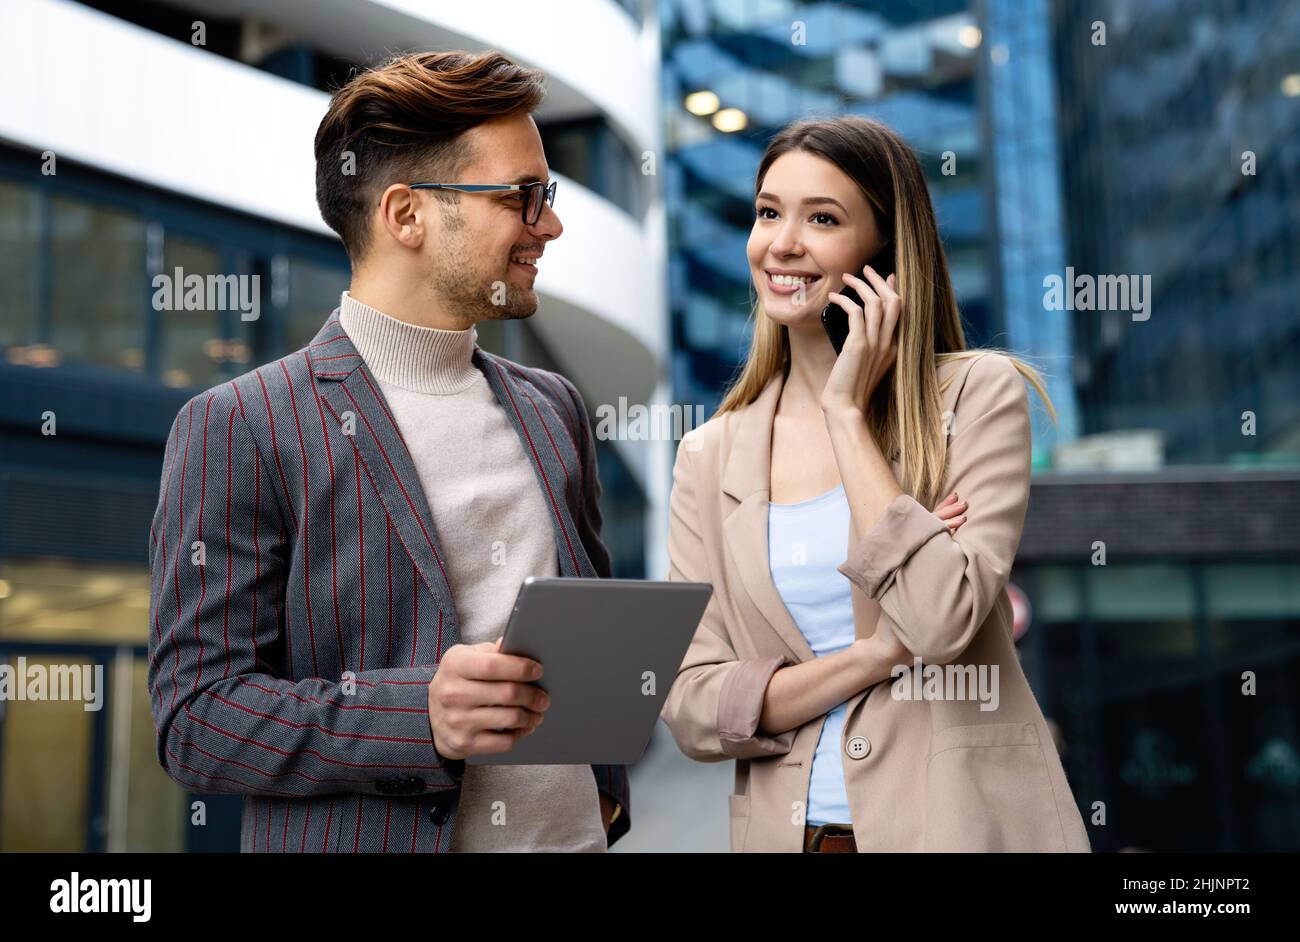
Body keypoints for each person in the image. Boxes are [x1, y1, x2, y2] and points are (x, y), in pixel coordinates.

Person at [147, 50, 629, 852]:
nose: (550, 223)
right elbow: (196, 719)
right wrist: (419, 717)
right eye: (523, 196)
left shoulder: (556, 410)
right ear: (407, 215)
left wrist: (604, 798)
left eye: (548, 195)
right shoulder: (242, 424)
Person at [660, 115, 1090, 853]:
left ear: (884, 252)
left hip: (957, 829)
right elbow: (693, 706)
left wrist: (846, 415)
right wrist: (877, 657)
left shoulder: (974, 397)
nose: (782, 244)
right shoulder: (710, 453)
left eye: (823, 218)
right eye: (768, 213)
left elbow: (941, 623)